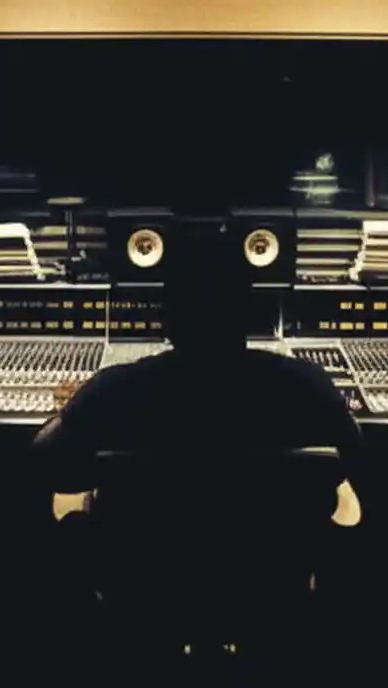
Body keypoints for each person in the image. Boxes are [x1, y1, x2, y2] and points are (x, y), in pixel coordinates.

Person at [33, 215, 362, 535]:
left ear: (166, 316)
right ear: (249, 313)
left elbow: (50, 466)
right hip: (271, 582)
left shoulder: (112, 390)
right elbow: (355, 462)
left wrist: (72, 408)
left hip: (144, 584)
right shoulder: (308, 385)